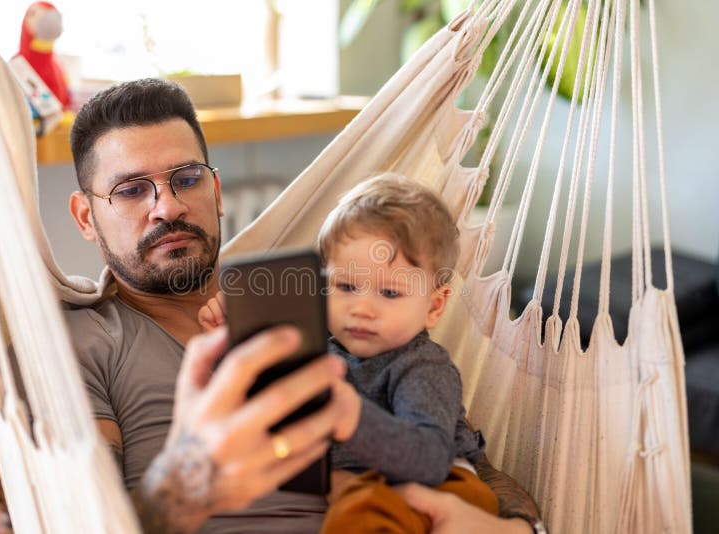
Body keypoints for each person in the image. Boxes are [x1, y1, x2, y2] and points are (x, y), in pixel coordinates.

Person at [65, 78, 542, 533]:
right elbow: (81, 521)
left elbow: (462, 457)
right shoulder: (83, 343)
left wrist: (521, 529)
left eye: (186, 179)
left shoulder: (317, 301)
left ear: (215, 191)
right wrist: (185, 483)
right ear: (87, 217)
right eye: (130, 190)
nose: (167, 207)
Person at [318, 175, 499, 532]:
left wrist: (350, 416)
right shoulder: (324, 348)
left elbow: (429, 460)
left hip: (444, 487)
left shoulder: (422, 366)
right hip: (369, 487)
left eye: (389, 293)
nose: (362, 309)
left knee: (357, 519)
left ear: (434, 306)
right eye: (347, 286)